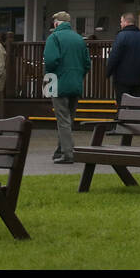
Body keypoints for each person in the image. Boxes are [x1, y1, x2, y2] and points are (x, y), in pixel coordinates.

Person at [43, 11, 90, 164]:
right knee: (68, 118)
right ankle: (60, 149)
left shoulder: (54, 37)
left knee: (62, 119)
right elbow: (87, 64)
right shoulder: (79, 39)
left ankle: (68, 153)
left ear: (56, 23)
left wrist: (49, 79)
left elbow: (50, 61)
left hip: (58, 83)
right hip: (76, 83)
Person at [106, 12, 140, 110]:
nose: (120, 24)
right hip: (138, 78)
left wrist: (108, 72)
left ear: (126, 22)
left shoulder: (121, 36)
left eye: (121, 22)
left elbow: (114, 56)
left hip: (122, 78)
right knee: (136, 105)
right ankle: (135, 122)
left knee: (122, 104)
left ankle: (123, 123)